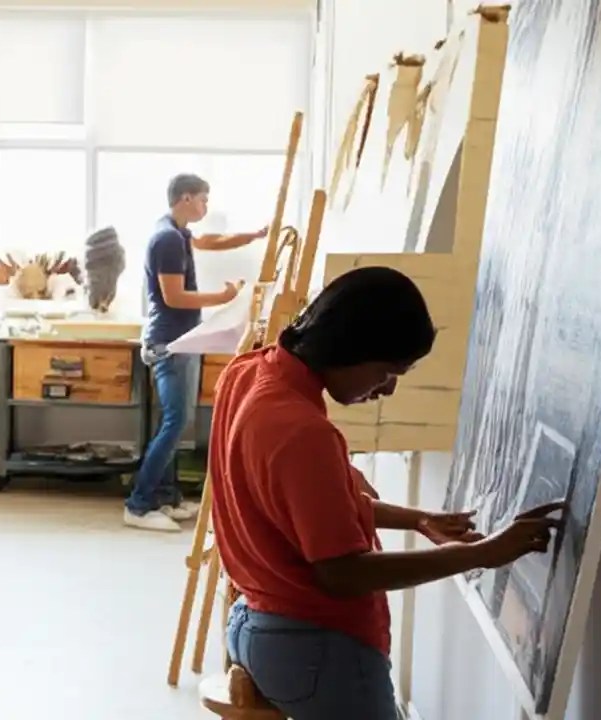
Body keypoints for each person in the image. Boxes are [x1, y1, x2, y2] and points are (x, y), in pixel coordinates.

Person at [209, 265, 564, 719]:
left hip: (257, 626)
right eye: (388, 370)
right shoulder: (302, 431)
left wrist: (417, 519)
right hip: (314, 646)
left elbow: (303, 508)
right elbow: (342, 574)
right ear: (353, 347)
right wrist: (481, 554)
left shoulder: (248, 374)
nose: (389, 388)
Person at [125, 173, 268, 531]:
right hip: (170, 342)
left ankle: (166, 497)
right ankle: (139, 505)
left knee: (176, 421)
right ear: (186, 198)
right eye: (204, 199)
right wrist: (222, 299)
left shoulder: (177, 232)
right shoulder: (168, 239)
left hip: (179, 338)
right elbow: (173, 297)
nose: (206, 205)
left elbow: (210, 241)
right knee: (175, 423)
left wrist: (252, 236)